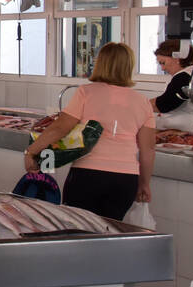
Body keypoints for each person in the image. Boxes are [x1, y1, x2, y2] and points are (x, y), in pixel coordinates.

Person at [23, 41, 154, 221]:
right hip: (126, 180)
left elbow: (60, 127)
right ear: (129, 66)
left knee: (80, 231)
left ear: (100, 63)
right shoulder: (143, 102)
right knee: (110, 230)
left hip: (88, 175)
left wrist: (32, 152)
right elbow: (148, 150)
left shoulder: (87, 93)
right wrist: (144, 184)